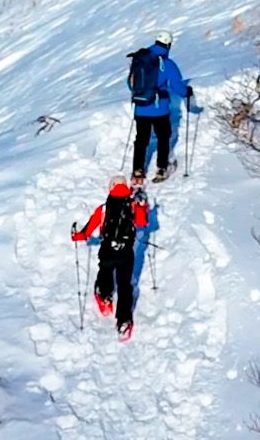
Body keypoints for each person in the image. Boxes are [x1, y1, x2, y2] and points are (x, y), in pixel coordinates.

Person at [71, 174, 149, 340]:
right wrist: (143, 206)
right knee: (124, 285)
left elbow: (87, 231)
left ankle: (105, 297)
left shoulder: (104, 209)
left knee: (105, 271)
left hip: (107, 250)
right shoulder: (133, 205)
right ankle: (124, 321)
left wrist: (76, 235)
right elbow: (142, 223)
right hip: (126, 253)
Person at [127, 30, 195, 182]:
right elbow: (177, 85)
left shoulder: (140, 59)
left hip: (141, 107)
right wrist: (187, 92)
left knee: (141, 139)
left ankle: (137, 170)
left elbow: (129, 83)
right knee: (163, 137)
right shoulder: (167, 64)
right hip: (159, 109)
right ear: (169, 45)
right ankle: (162, 168)